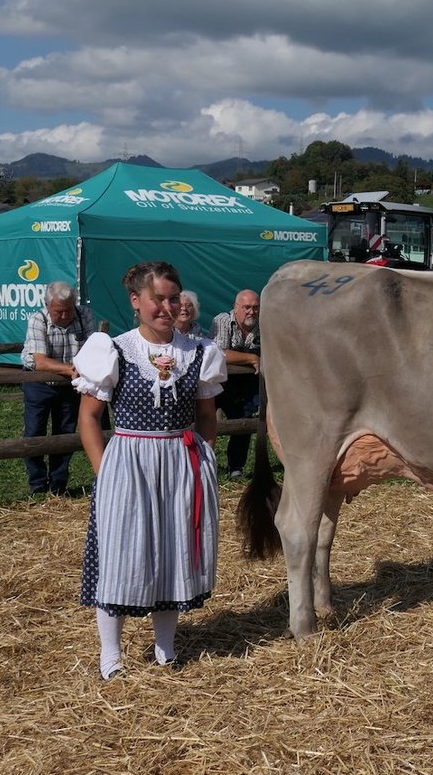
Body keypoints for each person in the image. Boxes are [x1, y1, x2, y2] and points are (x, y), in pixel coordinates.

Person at [72, 261, 226, 679]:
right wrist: (104, 471)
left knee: (173, 550)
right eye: (157, 298)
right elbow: (89, 418)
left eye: (173, 297)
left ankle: (165, 648)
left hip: (180, 460)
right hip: (129, 461)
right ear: (136, 301)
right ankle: (111, 654)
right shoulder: (114, 349)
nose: (167, 306)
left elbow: (207, 414)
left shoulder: (199, 352)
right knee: (121, 553)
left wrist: (206, 458)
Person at [21, 281, 94, 496]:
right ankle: (38, 485)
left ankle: (58, 486)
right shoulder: (38, 319)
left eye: (69, 310)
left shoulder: (84, 315)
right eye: (59, 311)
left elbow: (93, 349)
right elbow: (41, 362)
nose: (64, 316)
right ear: (47, 306)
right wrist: (72, 369)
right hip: (39, 383)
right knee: (35, 433)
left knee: (65, 433)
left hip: (70, 384)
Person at [210, 289, 261, 479]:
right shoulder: (223, 321)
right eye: (247, 307)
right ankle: (203, 464)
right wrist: (251, 357)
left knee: (243, 423)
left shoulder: (262, 325)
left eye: (255, 308)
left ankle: (236, 468)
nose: (251, 312)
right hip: (217, 383)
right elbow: (218, 352)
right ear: (236, 307)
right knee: (204, 422)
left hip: (245, 386)